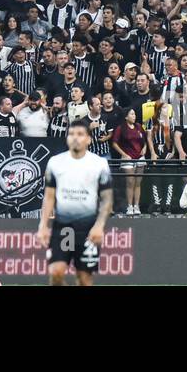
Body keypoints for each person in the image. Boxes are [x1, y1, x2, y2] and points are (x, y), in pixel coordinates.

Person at [37, 119, 113, 287]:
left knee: (84, 279)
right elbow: (49, 196)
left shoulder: (99, 164)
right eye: (71, 134)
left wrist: (99, 226)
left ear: (89, 139)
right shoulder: (55, 163)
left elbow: (107, 199)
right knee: (56, 273)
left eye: (80, 134)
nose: (75, 138)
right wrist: (43, 225)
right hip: (63, 226)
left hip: (87, 228)